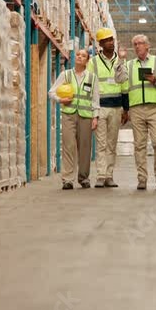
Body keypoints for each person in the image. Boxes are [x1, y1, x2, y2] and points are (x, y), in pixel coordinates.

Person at [115, 34, 156, 190]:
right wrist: (120, 59)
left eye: (140, 43)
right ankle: (142, 179)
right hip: (136, 109)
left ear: (148, 46)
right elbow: (119, 79)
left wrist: (155, 80)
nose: (138, 46)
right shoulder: (130, 64)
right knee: (139, 145)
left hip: (155, 108)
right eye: (135, 44)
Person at [49, 49, 99, 190]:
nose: (79, 57)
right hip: (69, 115)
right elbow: (51, 92)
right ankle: (67, 179)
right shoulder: (66, 75)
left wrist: (95, 117)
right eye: (77, 55)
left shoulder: (92, 78)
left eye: (83, 56)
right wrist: (60, 99)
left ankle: (84, 178)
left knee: (85, 147)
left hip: (86, 115)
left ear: (87, 60)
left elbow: (95, 99)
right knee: (68, 146)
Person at [88, 28, 129, 188]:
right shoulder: (93, 62)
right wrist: (93, 112)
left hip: (116, 108)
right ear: (101, 44)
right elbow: (90, 86)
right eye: (107, 40)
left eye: (112, 40)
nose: (111, 43)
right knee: (101, 144)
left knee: (112, 143)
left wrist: (126, 109)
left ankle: (109, 176)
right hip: (100, 108)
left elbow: (125, 85)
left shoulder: (121, 61)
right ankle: (100, 175)